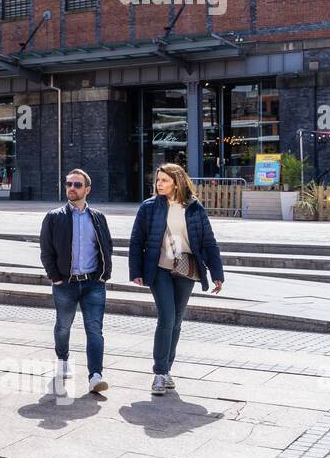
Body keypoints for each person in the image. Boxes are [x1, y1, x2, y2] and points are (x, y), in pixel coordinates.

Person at [130, 163, 225, 396]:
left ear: (177, 181)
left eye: (164, 180)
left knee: (176, 322)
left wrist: (217, 274)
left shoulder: (194, 208)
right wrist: (136, 271)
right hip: (159, 268)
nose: (158, 184)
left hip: (186, 269)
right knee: (166, 318)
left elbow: (208, 242)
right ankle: (159, 373)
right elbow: (136, 240)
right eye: (158, 180)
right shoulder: (149, 207)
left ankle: (167, 370)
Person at [39, 168, 113, 396]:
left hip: (93, 283)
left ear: (87, 190)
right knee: (63, 326)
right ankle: (63, 359)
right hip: (66, 283)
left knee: (95, 330)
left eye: (77, 185)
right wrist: (56, 278)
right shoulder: (54, 217)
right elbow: (46, 251)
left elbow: (107, 247)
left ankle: (95, 376)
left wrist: (103, 276)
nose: (71, 188)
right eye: (69, 184)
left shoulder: (98, 217)